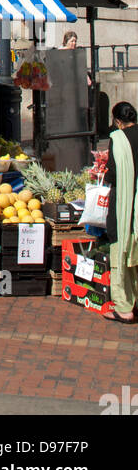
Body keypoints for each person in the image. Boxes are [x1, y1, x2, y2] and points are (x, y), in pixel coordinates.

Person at [103, 101, 138, 324]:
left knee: (120, 249)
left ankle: (124, 308)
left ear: (117, 121)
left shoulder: (118, 139)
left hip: (125, 205)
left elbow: (113, 174)